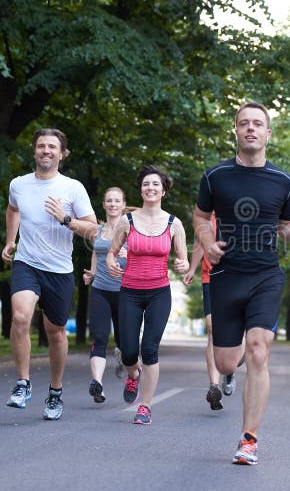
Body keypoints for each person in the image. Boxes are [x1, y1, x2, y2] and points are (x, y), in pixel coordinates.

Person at [193, 102, 290, 465]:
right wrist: (206, 241)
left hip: (265, 274)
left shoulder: (284, 181)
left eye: (257, 124)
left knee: (259, 350)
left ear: (267, 133)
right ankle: (235, 358)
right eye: (243, 123)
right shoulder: (215, 176)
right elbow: (200, 216)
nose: (250, 129)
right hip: (227, 276)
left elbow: (285, 230)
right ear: (235, 130)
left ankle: (249, 440)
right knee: (227, 364)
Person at [2, 127, 97, 421]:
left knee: (55, 332)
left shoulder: (72, 188)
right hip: (26, 262)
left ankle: (55, 392)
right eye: (41, 145)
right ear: (34, 150)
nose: (46, 150)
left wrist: (65, 219)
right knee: (20, 316)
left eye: (52, 147)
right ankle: (22, 383)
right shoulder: (19, 184)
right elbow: (12, 209)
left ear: (62, 154)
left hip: (58, 269)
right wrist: (10, 240)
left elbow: (94, 230)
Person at [106, 165, 189, 425]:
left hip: (158, 293)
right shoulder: (126, 221)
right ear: (140, 189)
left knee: (150, 349)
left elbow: (183, 260)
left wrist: (183, 265)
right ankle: (133, 374)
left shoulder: (174, 224)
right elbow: (112, 251)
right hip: (129, 291)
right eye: (146, 184)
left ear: (163, 190)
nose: (150, 188)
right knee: (129, 351)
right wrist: (110, 261)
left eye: (155, 184)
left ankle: (146, 406)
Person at [183, 212, 242, 411]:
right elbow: (201, 243)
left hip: (239, 276)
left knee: (237, 328)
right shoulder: (207, 214)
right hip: (212, 276)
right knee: (212, 328)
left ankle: (230, 369)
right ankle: (214, 386)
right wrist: (192, 268)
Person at [82, 187, 130, 403]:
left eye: (116, 201)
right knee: (99, 337)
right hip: (100, 289)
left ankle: (122, 356)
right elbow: (96, 252)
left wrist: (129, 254)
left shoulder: (132, 229)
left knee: (124, 340)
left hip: (125, 292)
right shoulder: (98, 230)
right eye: (108, 201)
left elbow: (142, 256)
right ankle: (97, 384)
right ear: (103, 205)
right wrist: (91, 273)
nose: (112, 204)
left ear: (122, 204)